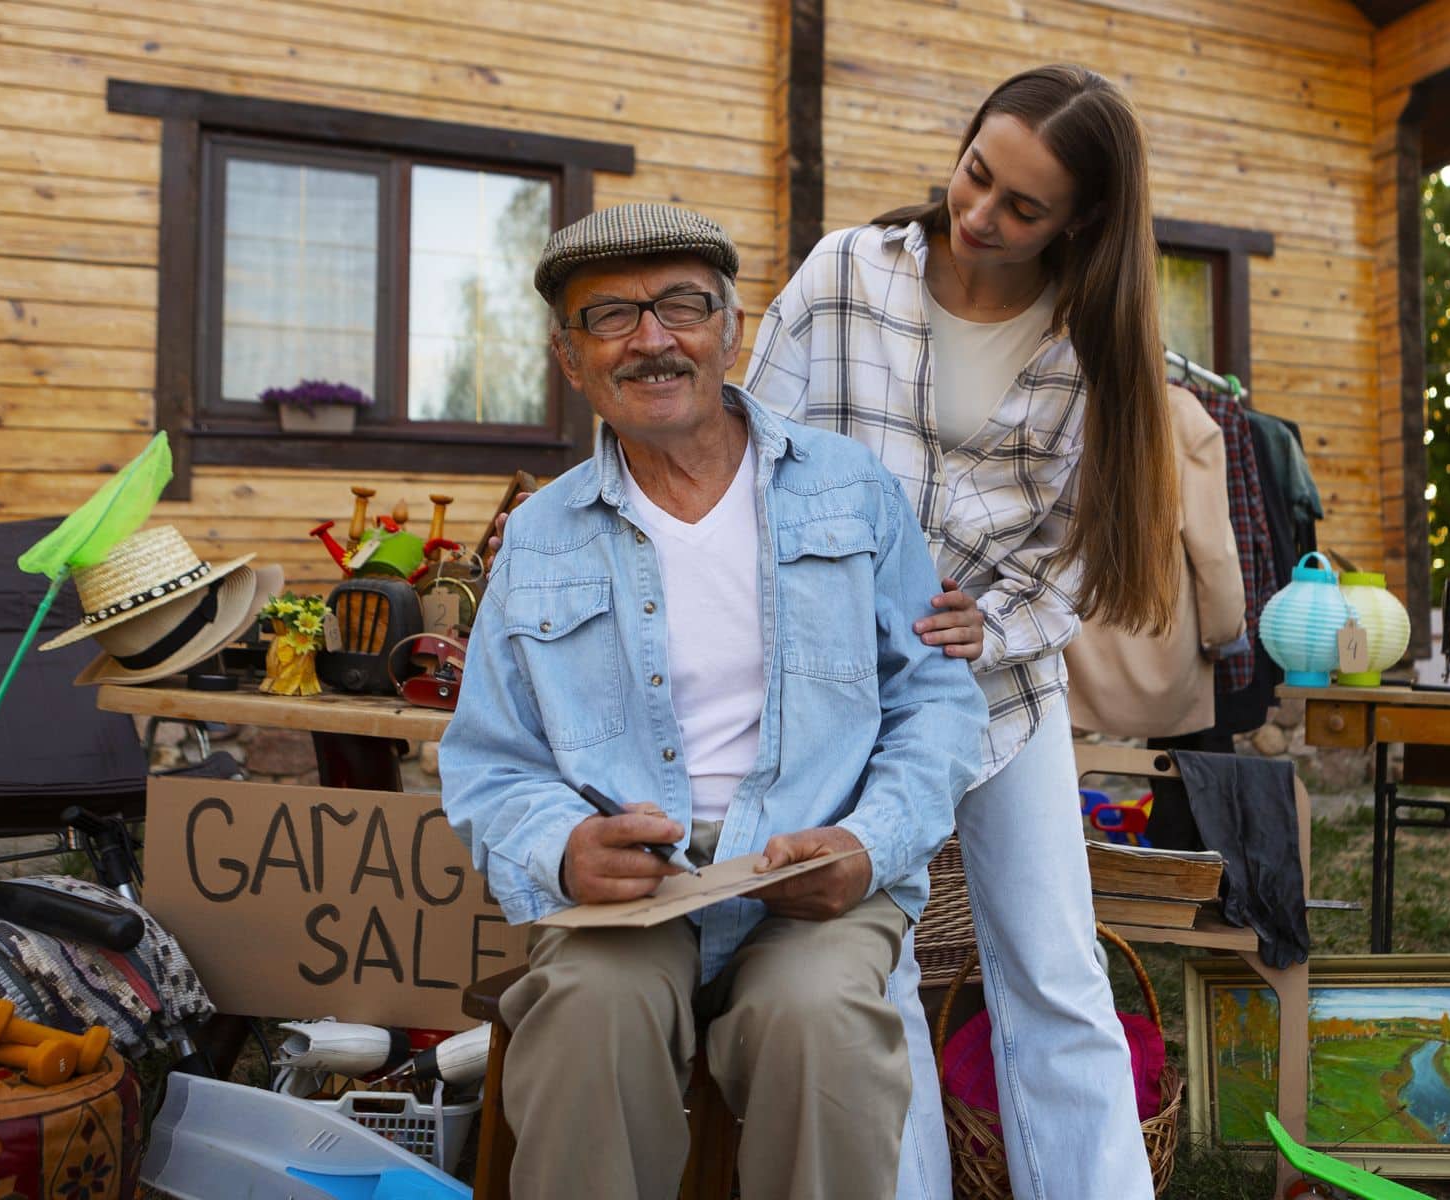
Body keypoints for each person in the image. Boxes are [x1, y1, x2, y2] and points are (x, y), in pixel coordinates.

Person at [439, 203, 988, 1200]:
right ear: (572, 360)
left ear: (730, 327)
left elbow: (939, 703)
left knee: (819, 1025)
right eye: (610, 316)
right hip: (632, 901)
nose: (652, 340)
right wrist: (563, 846)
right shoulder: (540, 536)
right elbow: (491, 760)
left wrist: (869, 840)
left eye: (682, 305)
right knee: (585, 1020)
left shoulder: (849, 491)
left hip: (813, 880)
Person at [744, 64, 1181, 1200]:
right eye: (975, 173)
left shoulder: (1099, 344)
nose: (979, 214)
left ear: (1080, 220)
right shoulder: (845, 273)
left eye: (1022, 208)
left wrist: (994, 625)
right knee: (870, 969)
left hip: (1003, 690)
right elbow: (754, 462)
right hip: (844, 690)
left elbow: (1093, 545)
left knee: (1054, 972)